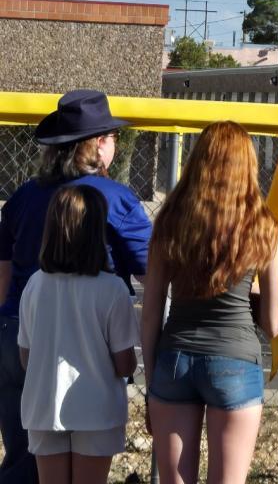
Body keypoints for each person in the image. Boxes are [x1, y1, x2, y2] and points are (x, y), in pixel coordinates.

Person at [0, 89, 151, 484]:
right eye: (112, 137)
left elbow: (3, 274)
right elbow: (152, 272)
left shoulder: (23, 196)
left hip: (22, 334)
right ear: (98, 145)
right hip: (90, 349)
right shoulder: (115, 199)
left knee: (22, 460)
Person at [141, 121, 278, 484]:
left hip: (174, 359)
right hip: (235, 363)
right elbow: (274, 323)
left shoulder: (170, 221)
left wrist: (153, 374)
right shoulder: (263, 226)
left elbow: (152, 310)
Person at [17, 185, 139, 484]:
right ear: (98, 231)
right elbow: (124, 364)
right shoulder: (112, 289)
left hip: (44, 406)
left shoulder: (34, 284)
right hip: (97, 411)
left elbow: (25, 356)